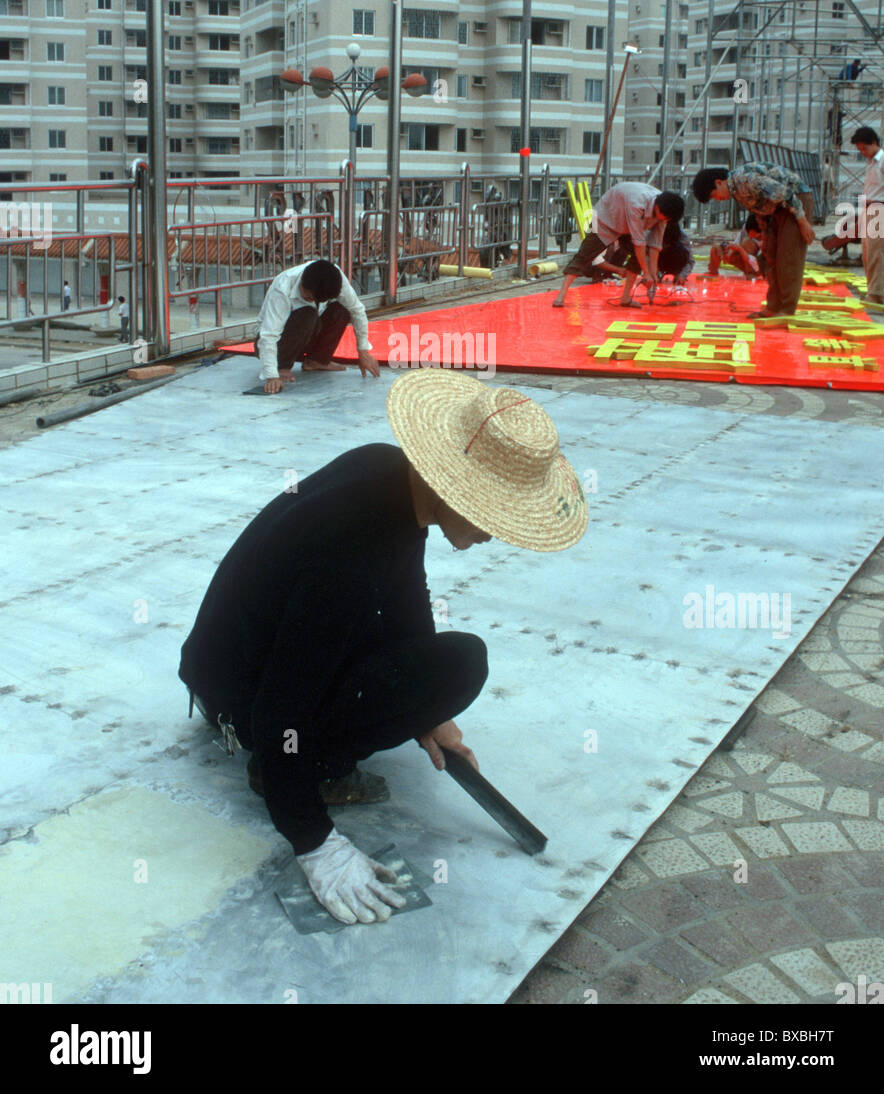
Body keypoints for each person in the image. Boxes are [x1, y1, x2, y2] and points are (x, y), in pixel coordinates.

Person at [179, 368, 587, 926]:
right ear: (452, 486)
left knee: (445, 667)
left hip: (222, 664)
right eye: (493, 514)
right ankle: (312, 767)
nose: (495, 534)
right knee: (463, 662)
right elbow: (284, 707)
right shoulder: (346, 552)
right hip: (242, 704)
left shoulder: (388, 475)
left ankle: (313, 749)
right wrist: (315, 841)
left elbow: (404, 592)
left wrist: (430, 714)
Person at [692, 164, 815, 318]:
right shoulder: (736, 191)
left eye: (713, 195)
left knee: (788, 256)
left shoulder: (746, 180)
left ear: (719, 182)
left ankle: (786, 310)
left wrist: (802, 222)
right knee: (768, 256)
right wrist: (765, 235)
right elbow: (760, 210)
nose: (717, 199)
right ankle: (773, 307)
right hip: (777, 209)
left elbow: (786, 194)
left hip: (795, 202)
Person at [254, 257, 379, 395]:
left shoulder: (334, 278)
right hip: (278, 343)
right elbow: (268, 335)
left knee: (343, 309)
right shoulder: (283, 287)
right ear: (302, 282)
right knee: (307, 314)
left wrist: (363, 352)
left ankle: (316, 360)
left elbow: (357, 310)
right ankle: (282, 365)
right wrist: (272, 375)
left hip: (307, 334)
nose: (311, 301)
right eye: (308, 297)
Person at [552, 182, 685, 308]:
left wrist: (653, 272)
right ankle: (561, 295)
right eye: (656, 216)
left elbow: (655, 243)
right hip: (606, 219)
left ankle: (625, 298)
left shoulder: (666, 211)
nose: (658, 221)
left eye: (663, 220)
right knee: (584, 254)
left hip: (627, 227)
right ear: (657, 206)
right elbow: (639, 242)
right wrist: (646, 273)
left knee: (639, 258)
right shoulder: (637, 203)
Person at [849, 126, 884, 306]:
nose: (862, 152)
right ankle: (873, 290)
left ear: (874, 143)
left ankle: (877, 294)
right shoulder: (871, 163)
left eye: (864, 148)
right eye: (860, 149)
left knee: (876, 253)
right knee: (867, 253)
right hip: (869, 209)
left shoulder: (883, 160)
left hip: (879, 209)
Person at [707, 214, 765, 279]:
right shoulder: (746, 227)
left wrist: (740, 249)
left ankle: (751, 274)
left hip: (758, 267)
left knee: (747, 242)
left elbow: (758, 264)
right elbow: (736, 244)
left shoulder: (768, 236)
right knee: (716, 248)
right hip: (746, 257)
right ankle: (712, 272)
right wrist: (726, 251)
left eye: (757, 237)